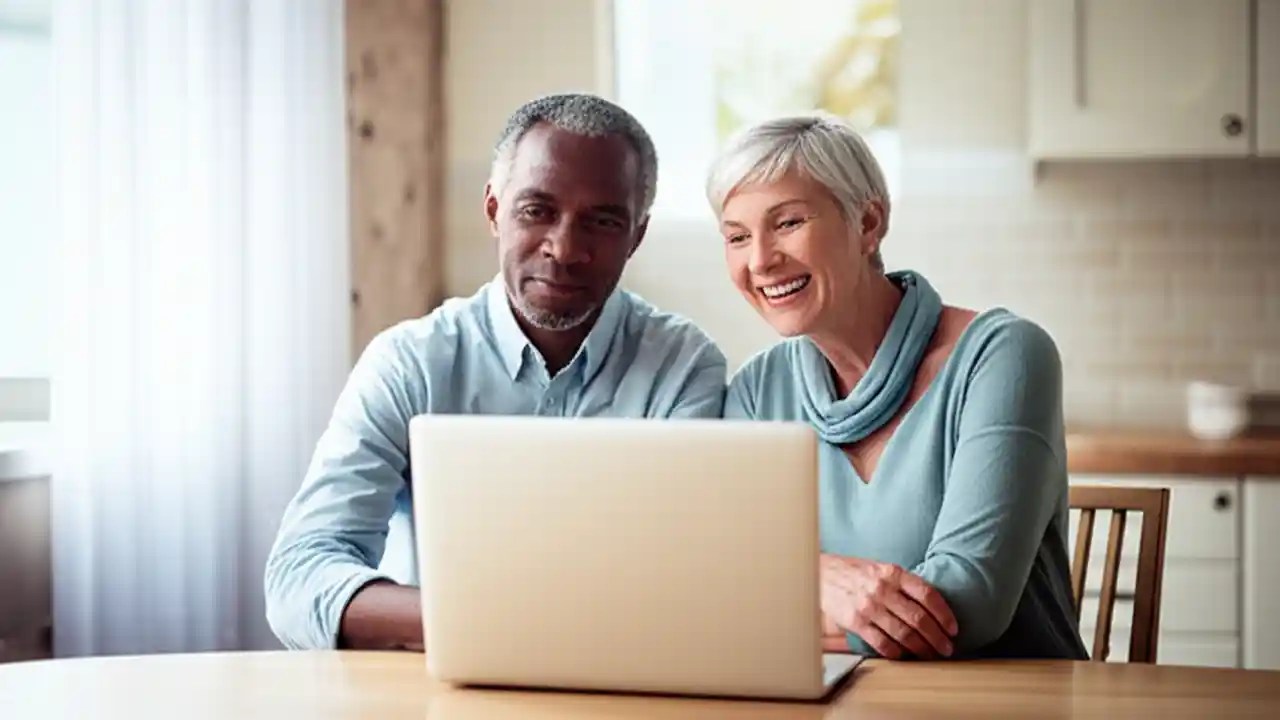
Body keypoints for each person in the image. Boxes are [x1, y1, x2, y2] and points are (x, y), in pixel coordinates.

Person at [265, 94, 727, 651]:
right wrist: (486, 620)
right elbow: (299, 578)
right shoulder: (410, 364)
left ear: (636, 236)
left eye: (602, 222)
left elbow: (687, 582)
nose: (564, 248)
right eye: (537, 211)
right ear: (493, 210)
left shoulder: (683, 368)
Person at [707, 114, 1087, 660]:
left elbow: (966, 606)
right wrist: (819, 578)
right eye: (737, 237)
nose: (761, 260)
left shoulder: (1004, 356)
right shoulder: (754, 393)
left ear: (868, 223)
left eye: (788, 222)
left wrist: (782, 595)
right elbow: (720, 588)